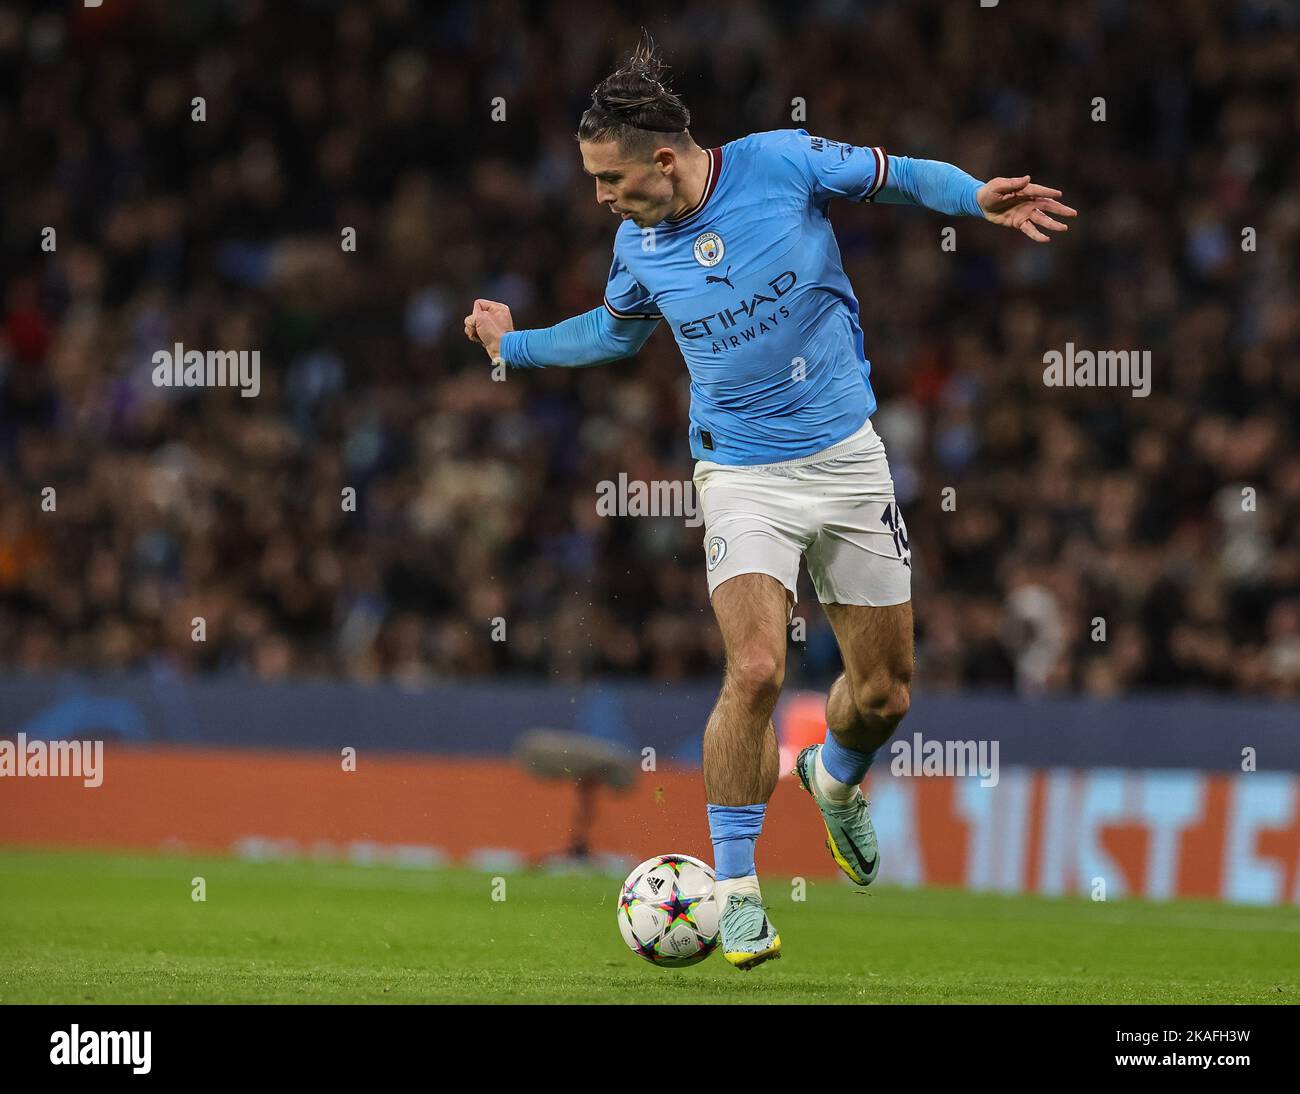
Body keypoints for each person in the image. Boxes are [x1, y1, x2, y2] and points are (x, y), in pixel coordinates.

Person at [465, 36, 1076, 970]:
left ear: (664, 161)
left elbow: (901, 175)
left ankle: (835, 782)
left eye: (611, 179)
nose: (602, 199)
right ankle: (739, 892)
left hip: (846, 461)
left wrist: (974, 196)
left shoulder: (781, 162)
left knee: (883, 693)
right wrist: (518, 347)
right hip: (741, 474)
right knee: (754, 668)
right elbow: (616, 335)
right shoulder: (637, 244)